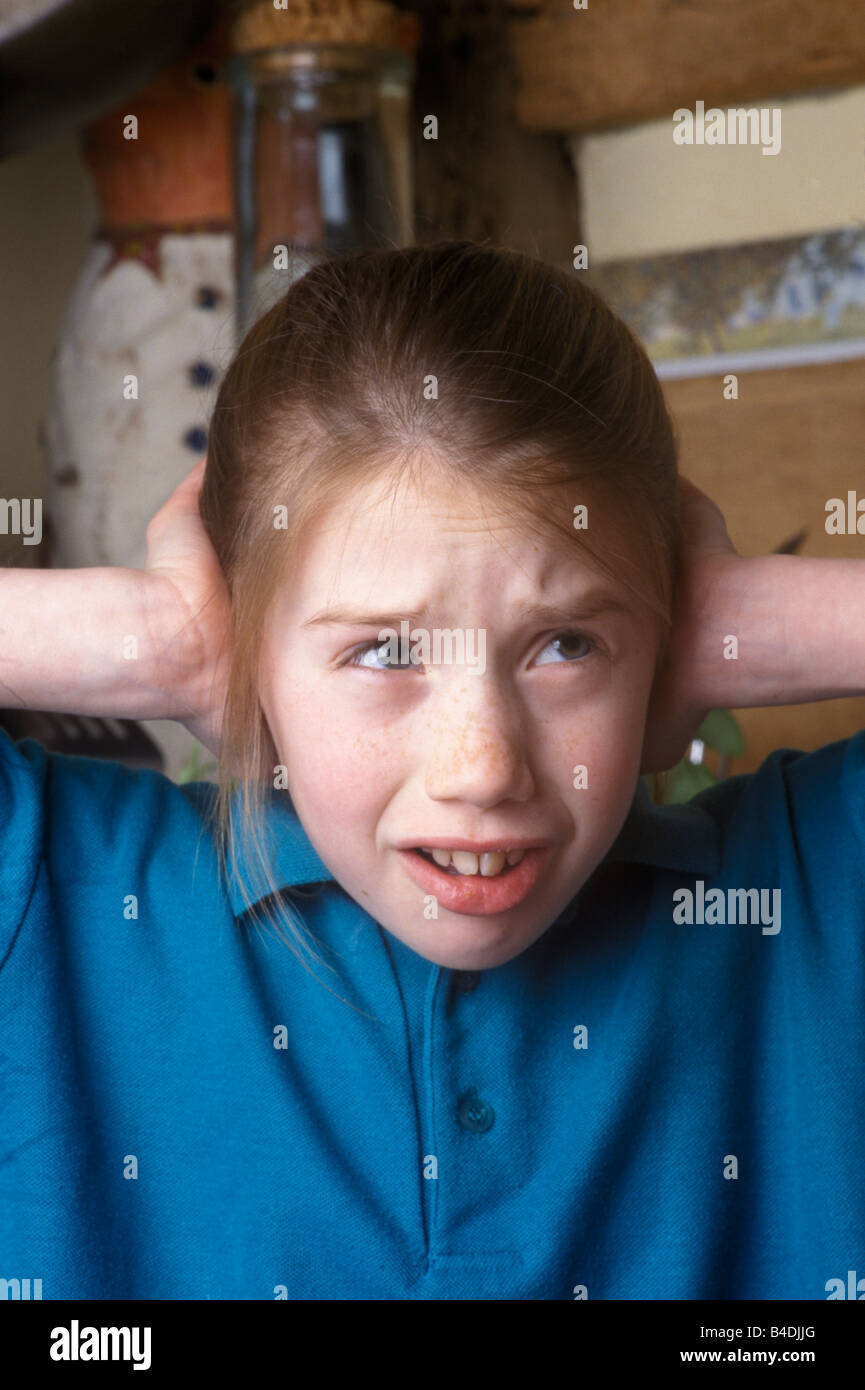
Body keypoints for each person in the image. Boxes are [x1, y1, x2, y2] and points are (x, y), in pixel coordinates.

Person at [1, 241, 863, 1300]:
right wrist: (155, 641)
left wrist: (747, 626)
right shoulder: (53, 902)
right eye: (383, 650)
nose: (483, 768)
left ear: (664, 635)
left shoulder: (811, 895)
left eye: (564, 645)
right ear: (249, 638)